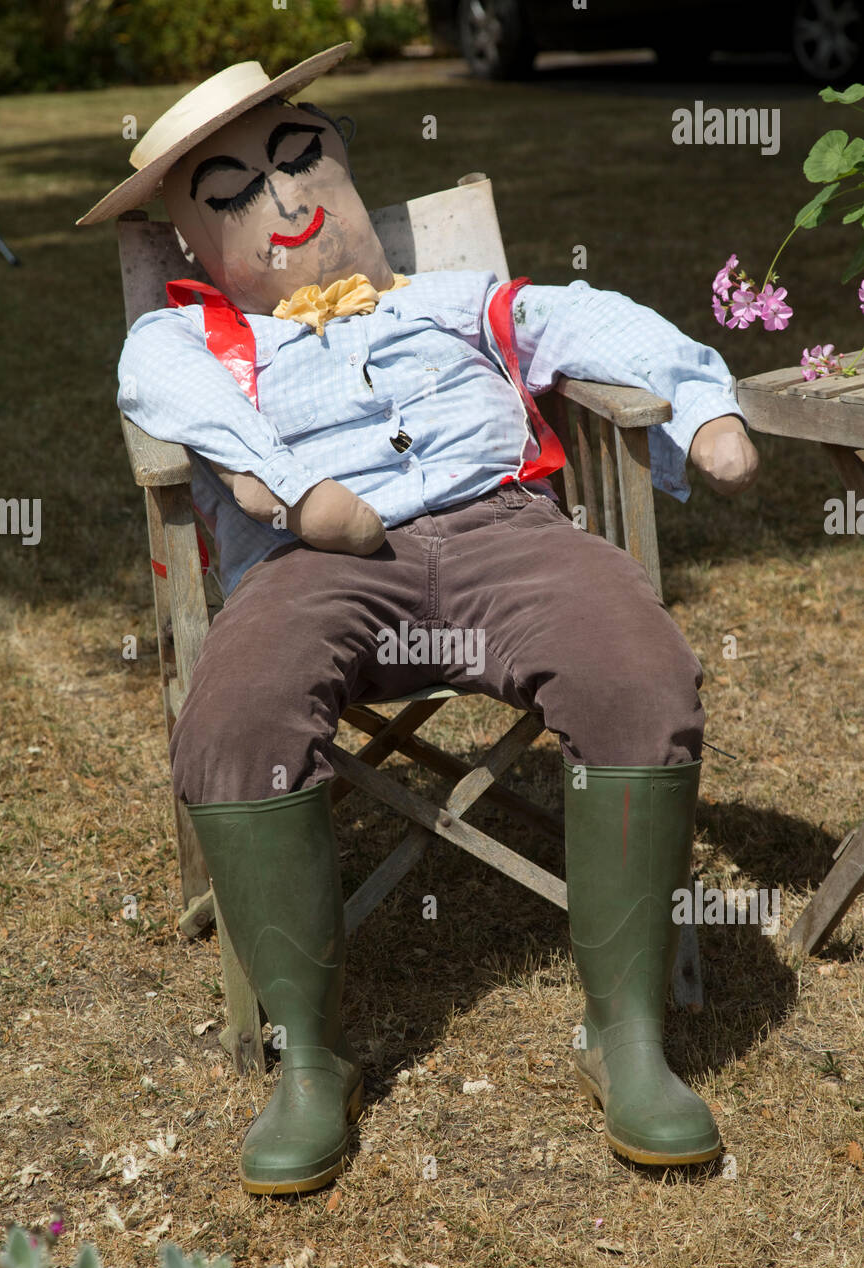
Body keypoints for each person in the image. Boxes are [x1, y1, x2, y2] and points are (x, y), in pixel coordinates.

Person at [79, 43, 759, 1195]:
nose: (283, 198)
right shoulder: (198, 336)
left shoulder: (452, 301)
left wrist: (698, 403)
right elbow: (158, 386)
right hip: (315, 562)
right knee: (236, 716)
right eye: (234, 191)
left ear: (342, 167)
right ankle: (311, 1063)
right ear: (194, 245)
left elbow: (583, 319)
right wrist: (287, 484)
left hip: (508, 534)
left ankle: (627, 1038)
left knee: (635, 673)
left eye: (300, 162)